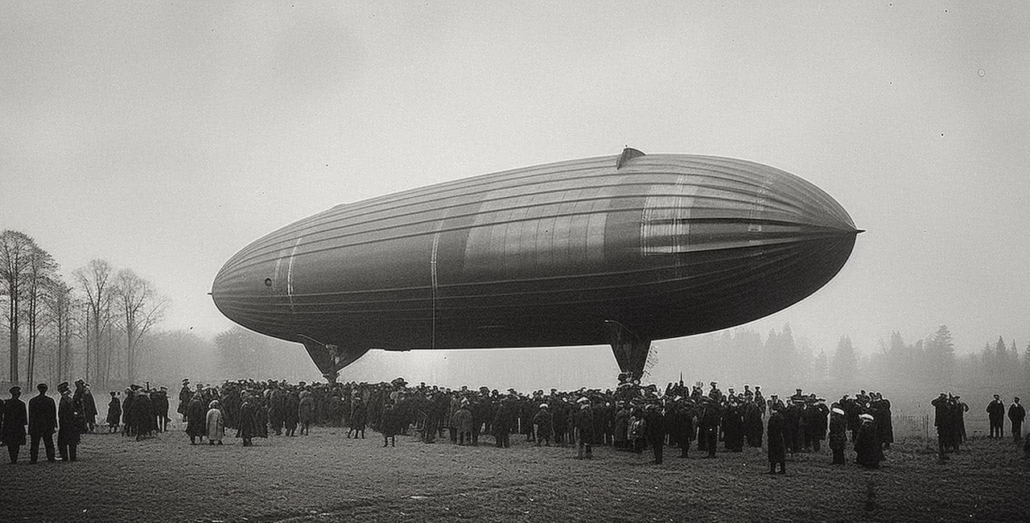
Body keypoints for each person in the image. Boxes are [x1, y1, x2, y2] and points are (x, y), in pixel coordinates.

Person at [28, 383, 57, 464]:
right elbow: (53, 415)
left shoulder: (33, 401)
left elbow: (31, 416)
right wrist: (54, 425)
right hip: (47, 425)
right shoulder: (50, 400)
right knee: (49, 443)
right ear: (46, 390)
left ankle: (33, 459)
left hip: (36, 425)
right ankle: (51, 458)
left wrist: (31, 427)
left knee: (34, 444)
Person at [56, 382, 82, 462]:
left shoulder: (65, 400)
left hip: (66, 424)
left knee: (62, 442)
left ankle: (65, 457)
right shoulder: (69, 399)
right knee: (72, 442)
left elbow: (66, 413)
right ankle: (72, 457)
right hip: (71, 424)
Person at [3, 386, 28, 463]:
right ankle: (15, 458)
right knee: (17, 443)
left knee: (10, 442)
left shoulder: (6, 403)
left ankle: (12, 458)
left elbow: (4, 415)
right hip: (18, 426)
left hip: (9, 425)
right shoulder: (21, 404)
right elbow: (24, 418)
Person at [766, 404, 786, 475]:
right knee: (780, 454)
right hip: (779, 437)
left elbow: (771, 429)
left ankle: (772, 470)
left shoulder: (774, 418)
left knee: (773, 454)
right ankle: (782, 469)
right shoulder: (781, 417)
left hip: (774, 438)